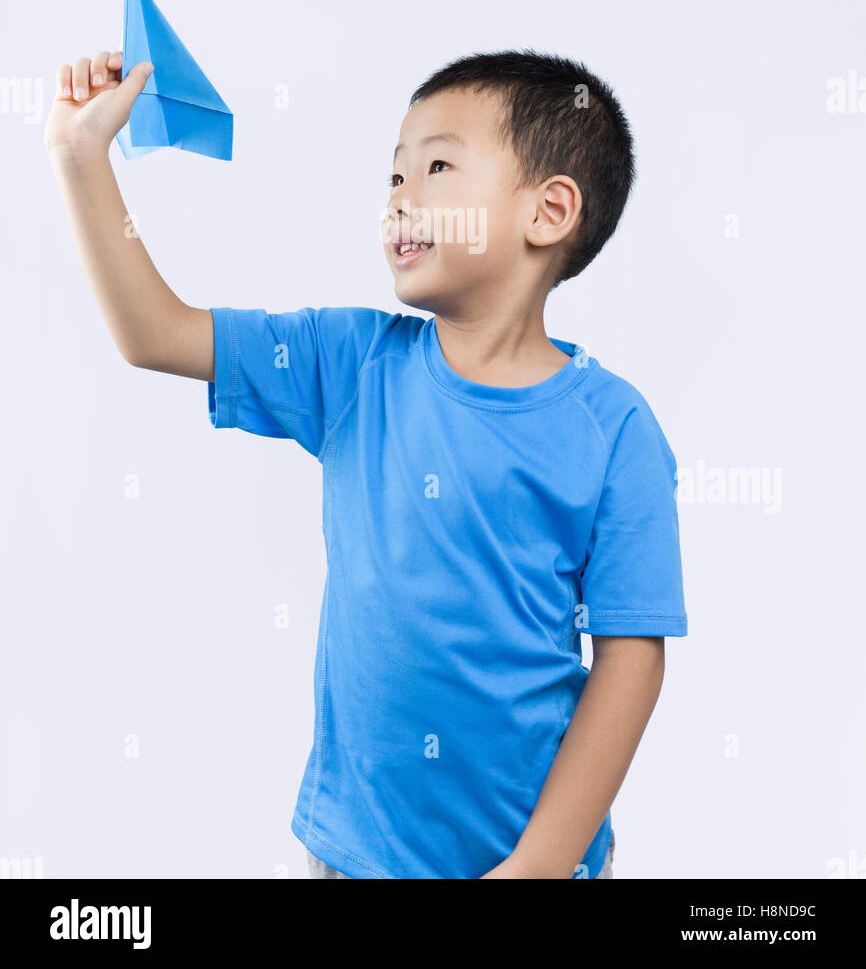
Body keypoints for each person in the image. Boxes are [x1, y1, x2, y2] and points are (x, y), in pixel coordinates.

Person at [45, 46, 687, 879]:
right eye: (392, 178)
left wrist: (536, 867)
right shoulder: (349, 363)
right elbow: (153, 333)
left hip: (531, 863)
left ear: (550, 210)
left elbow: (631, 660)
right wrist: (79, 158)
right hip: (348, 858)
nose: (398, 200)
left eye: (437, 167)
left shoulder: (616, 428)